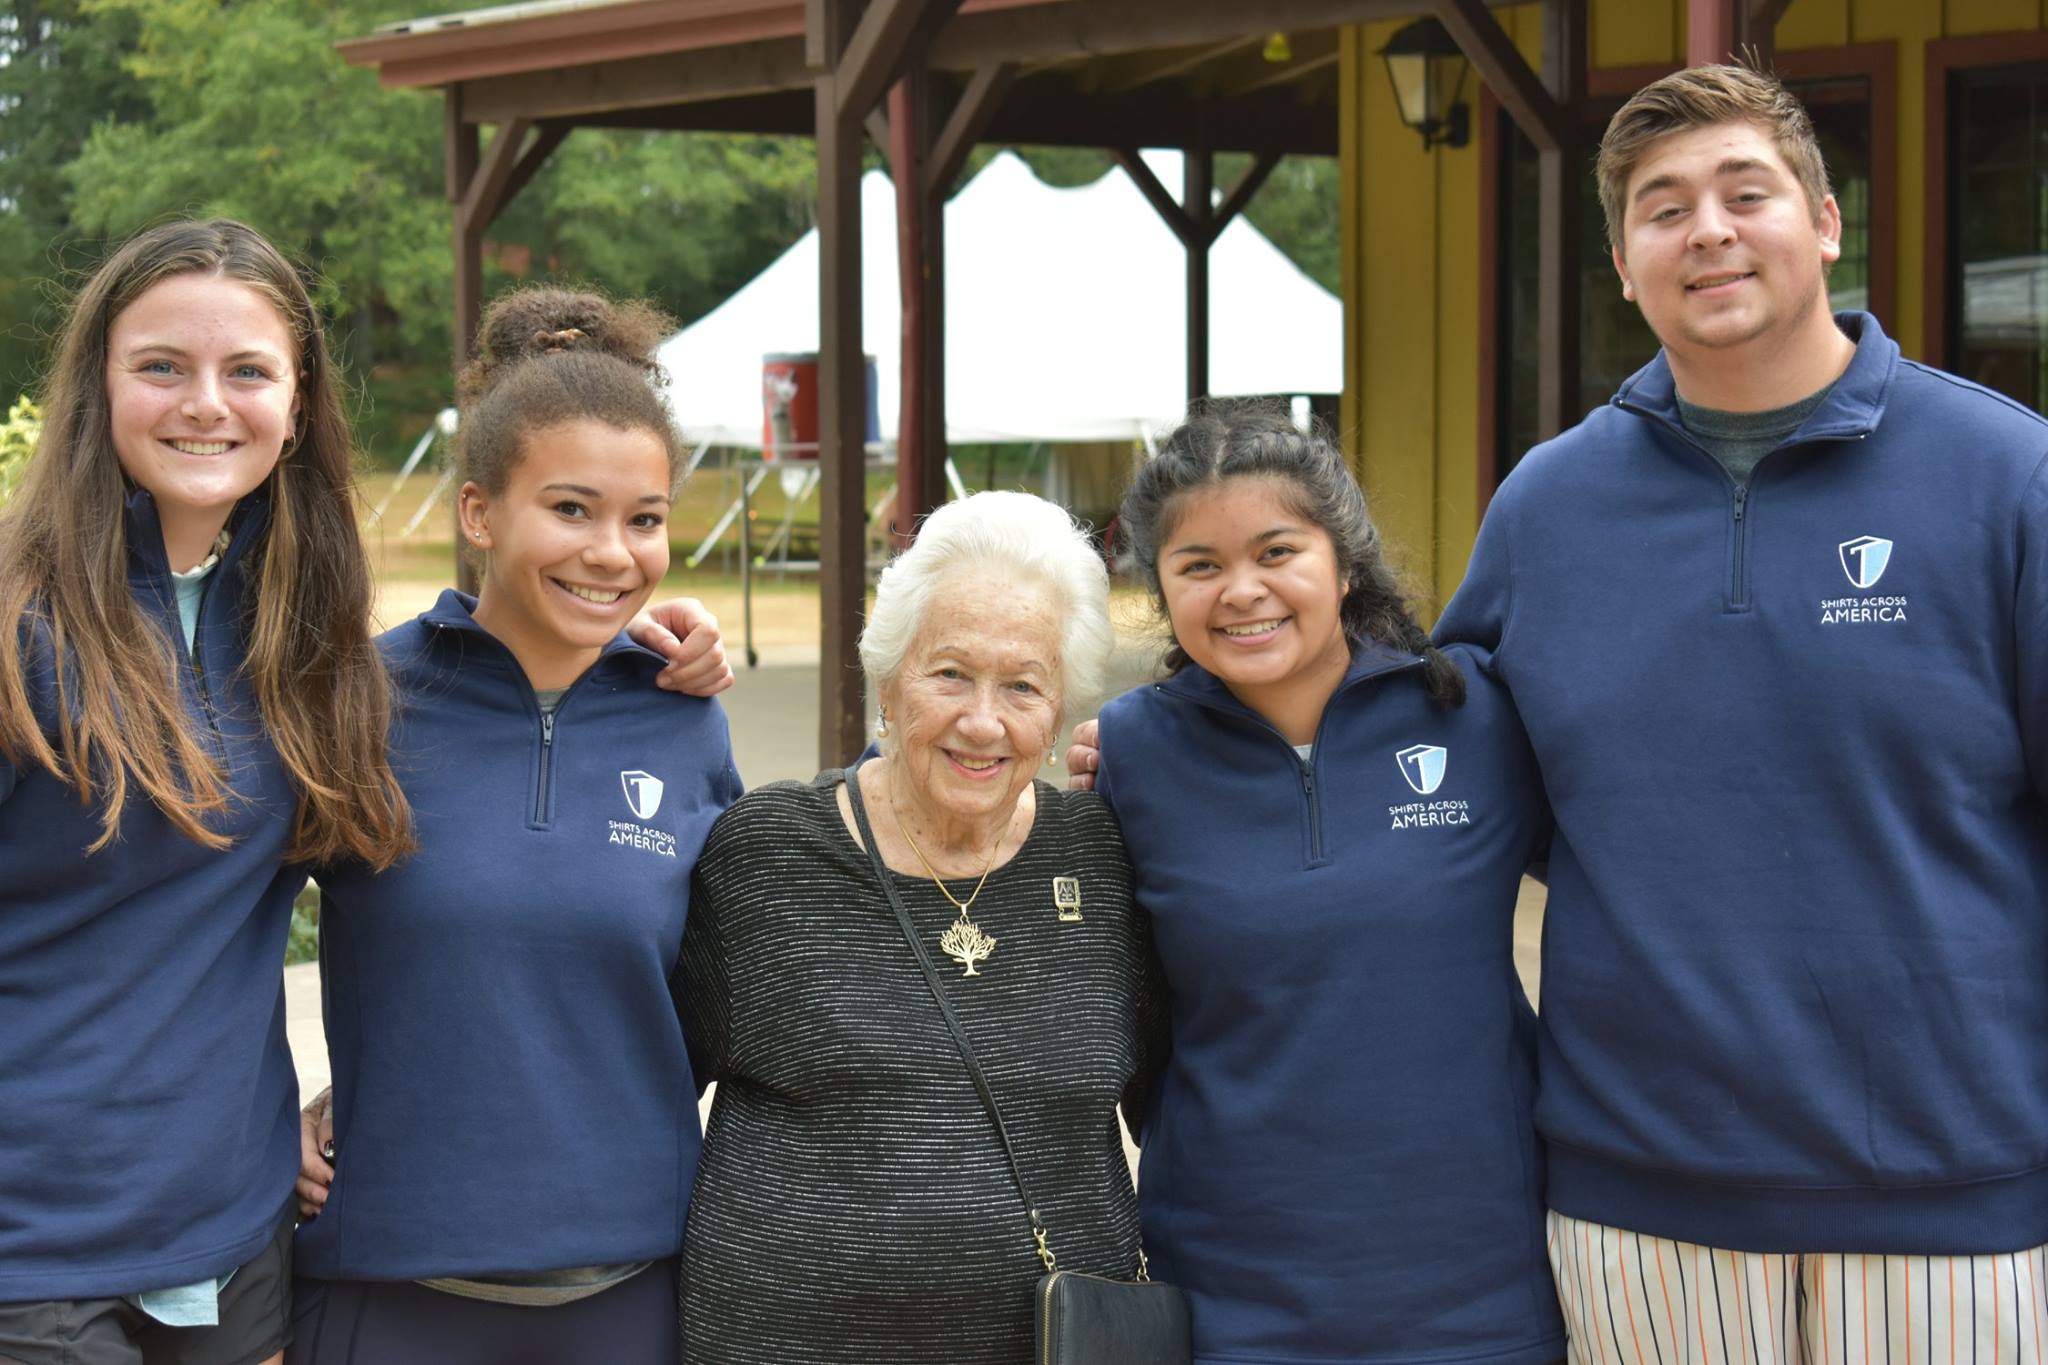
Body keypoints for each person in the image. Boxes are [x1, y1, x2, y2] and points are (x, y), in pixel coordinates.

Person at [1432, 65, 2048, 1358]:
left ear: (1826, 223)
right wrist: (1185, 739)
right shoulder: (1545, 511)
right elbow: (1451, 788)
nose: (1706, 228)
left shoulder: (2007, 477)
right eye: (1664, 207)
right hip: (1640, 1190)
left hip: (1960, 1186)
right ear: (1620, 261)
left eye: (1745, 191)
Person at [285, 288, 741, 1365]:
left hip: (630, 1295)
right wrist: (271, 1106)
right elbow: (207, 933)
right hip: (390, 1288)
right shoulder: (357, 701)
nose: (612, 553)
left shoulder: (686, 719)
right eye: (571, 510)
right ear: (481, 512)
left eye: (644, 519)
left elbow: (733, 988)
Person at [0, 218, 419, 1365]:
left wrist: (619, 646)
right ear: (98, 386)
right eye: (160, 368)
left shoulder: (308, 637)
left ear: (297, 409)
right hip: (31, 1263)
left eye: (247, 371)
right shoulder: (12, 625)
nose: (205, 404)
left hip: (234, 1243)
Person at [1083, 407, 1562, 1365]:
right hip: (1231, 1291)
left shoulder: (1475, 714)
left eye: (1276, 550)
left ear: (1343, 564)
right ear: (1159, 589)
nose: (1242, 591)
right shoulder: (1130, 754)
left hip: (1481, 1288)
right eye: (1200, 565)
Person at [673, 489, 1164, 1364]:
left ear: (1058, 714)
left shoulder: (1105, 857)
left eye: (1023, 685)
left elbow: (1184, 1100)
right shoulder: (767, 855)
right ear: (891, 682)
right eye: (950, 673)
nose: (984, 720)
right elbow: (626, 1073)